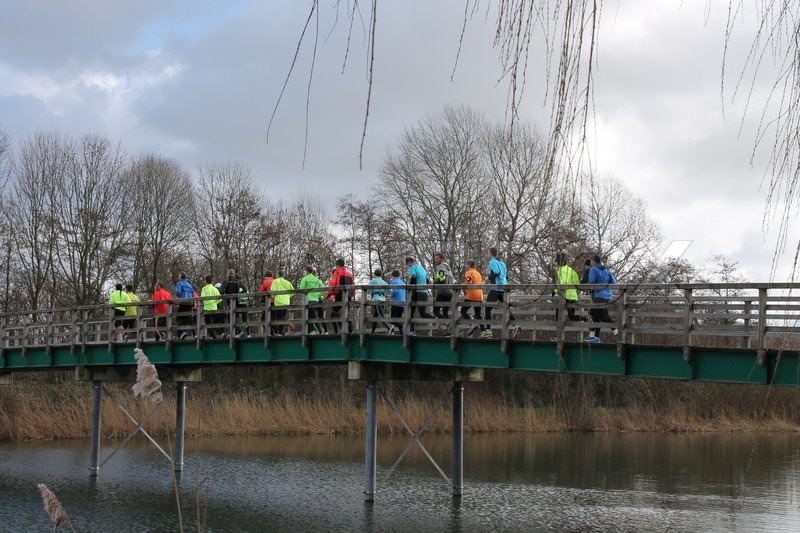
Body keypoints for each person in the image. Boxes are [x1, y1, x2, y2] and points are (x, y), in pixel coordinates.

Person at [484, 247, 519, 339]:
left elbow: (496, 271)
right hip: (503, 287)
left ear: (491, 253)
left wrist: (489, 278)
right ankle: (515, 326)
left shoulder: (492, 262)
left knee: (487, 308)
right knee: (506, 308)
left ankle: (488, 331)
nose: (487, 254)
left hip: (496, 288)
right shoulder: (502, 263)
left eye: (488, 252)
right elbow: (506, 276)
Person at [586, 254, 618, 343]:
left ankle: (616, 330)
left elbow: (591, 282)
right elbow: (614, 282)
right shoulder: (606, 270)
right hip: (607, 296)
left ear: (594, 261)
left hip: (598, 295)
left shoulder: (593, 269)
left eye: (591, 260)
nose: (590, 262)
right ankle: (595, 337)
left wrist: (589, 286)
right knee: (596, 315)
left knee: (601, 316)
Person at [405, 255, 433, 335]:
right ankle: (436, 319)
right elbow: (427, 281)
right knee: (422, 313)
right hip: (424, 293)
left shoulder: (412, 268)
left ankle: (412, 331)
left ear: (409, 262)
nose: (408, 266)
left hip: (416, 292)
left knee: (410, 312)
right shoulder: (423, 269)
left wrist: (409, 288)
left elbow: (413, 279)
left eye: (408, 265)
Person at [327, 259, 354, 334]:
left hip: (339, 296)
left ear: (338, 265)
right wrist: (351, 295)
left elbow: (335, 284)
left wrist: (330, 294)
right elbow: (353, 286)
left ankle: (340, 330)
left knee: (334, 314)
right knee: (346, 314)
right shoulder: (349, 274)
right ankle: (350, 331)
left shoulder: (337, 272)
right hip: (348, 296)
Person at [460, 260, 485, 337]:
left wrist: (463, 284)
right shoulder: (478, 273)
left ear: (469, 265)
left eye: (466, 265)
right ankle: (484, 331)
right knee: (478, 314)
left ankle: (471, 324)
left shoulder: (468, 272)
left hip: (471, 295)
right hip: (479, 295)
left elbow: (469, 283)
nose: (465, 267)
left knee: (463, 311)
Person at [299, 266, 327, 334]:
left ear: (306, 271)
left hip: (309, 300)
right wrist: (318, 295)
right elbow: (324, 289)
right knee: (314, 317)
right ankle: (319, 331)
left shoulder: (305, 279)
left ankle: (317, 331)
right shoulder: (317, 279)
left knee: (311, 317)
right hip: (316, 301)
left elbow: (301, 289)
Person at [555, 252, 581, 322]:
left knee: (558, 315)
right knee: (572, 317)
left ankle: (559, 332)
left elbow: (563, 283)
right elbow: (577, 283)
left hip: (566, 296)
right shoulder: (571, 270)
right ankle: (585, 319)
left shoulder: (561, 270)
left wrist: (555, 291)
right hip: (573, 296)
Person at [368, 268, 392, 333]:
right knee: (375, 315)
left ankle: (389, 327)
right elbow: (390, 291)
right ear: (381, 275)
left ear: (374, 274)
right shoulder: (384, 282)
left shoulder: (372, 281)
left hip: (376, 300)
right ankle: (372, 331)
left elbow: (368, 290)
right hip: (383, 300)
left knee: (380, 315)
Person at [270, 270, 294, 335]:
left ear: (277, 275)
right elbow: (293, 291)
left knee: (279, 318)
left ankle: (281, 331)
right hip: (286, 301)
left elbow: (272, 291)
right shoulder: (288, 282)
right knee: (282, 316)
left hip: (278, 302)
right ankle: (282, 331)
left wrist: (273, 297)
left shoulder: (275, 281)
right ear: (283, 275)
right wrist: (288, 296)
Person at [432, 252, 454, 321]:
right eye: (435, 259)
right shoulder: (448, 268)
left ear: (442, 259)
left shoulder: (440, 266)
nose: (436, 260)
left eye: (437, 259)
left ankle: (448, 323)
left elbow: (442, 278)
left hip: (443, 292)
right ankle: (449, 331)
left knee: (435, 311)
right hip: (450, 292)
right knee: (445, 312)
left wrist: (434, 282)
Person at [221, 269, 243, 336]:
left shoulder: (225, 281)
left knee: (230, 318)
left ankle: (237, 332)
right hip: (237, 301)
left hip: (229, 302)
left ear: (227, 274)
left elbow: (221, 292)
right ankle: (237, 332)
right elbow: (242, 290)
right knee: (235, 317)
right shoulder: (238, 281)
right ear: (234, 274)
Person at [174, 272, 195, 340]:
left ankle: (183, 332)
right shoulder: (189, 284)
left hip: (182, 302)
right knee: (189, 319)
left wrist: (179, 297)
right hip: (189, 302)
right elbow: (193, 294)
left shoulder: (179, 283)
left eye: (178, 276)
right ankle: (194, 334)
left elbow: (178, 292)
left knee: (178, 318)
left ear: (180, 277)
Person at [389, 269, 406, 334]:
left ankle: (401, 326)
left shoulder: (393, 282)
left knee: (392, 320)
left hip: (396, 302)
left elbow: (394, 292)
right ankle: (402, 333)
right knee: (398, 319)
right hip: (402, 303)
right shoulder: (402, 282)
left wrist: (391, 297)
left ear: (393, 275)